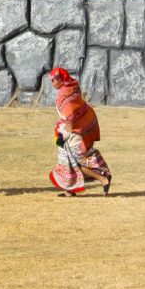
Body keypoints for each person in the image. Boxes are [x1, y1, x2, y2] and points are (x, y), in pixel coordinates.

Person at [48, 67, 110, 195]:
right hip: (80, 127)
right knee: (67, 159)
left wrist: (62, 136)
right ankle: (69, 191)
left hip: (75, 132)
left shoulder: (64, 95)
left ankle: (103, 178)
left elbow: (69, 117)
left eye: (54, 80)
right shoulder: (72, 86)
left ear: (60, 79)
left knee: (77, 160)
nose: (53, 83)